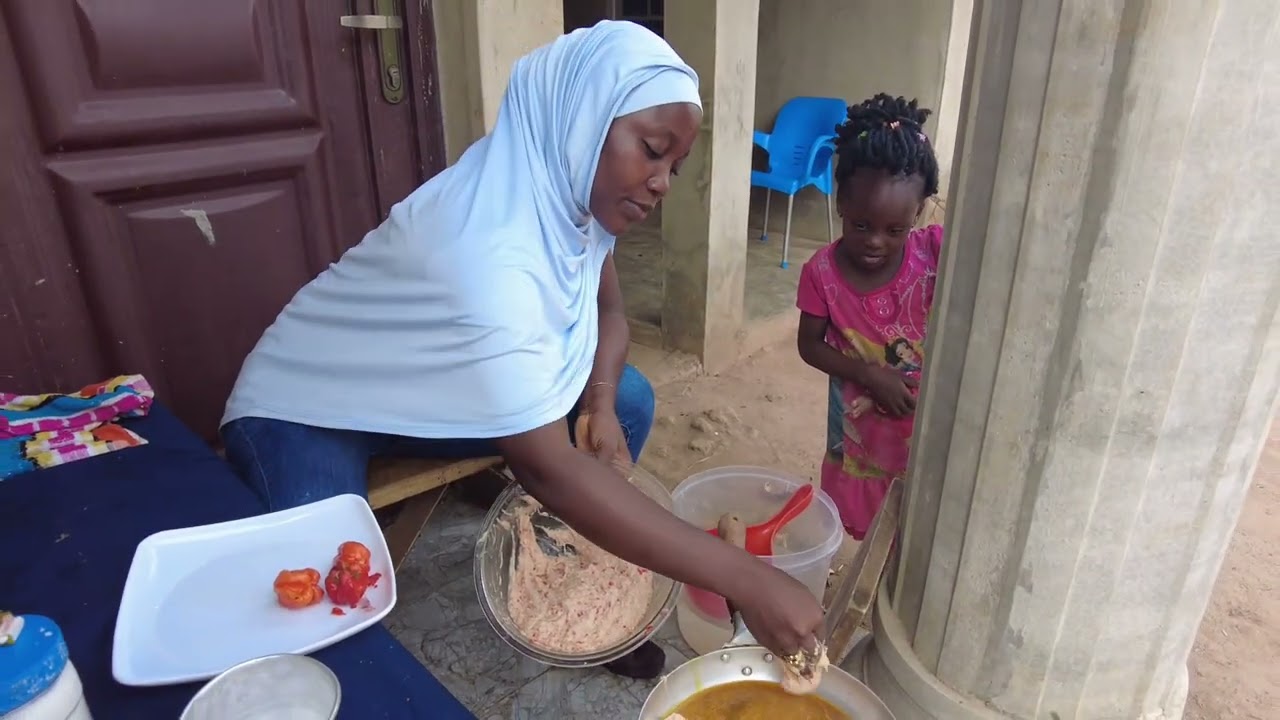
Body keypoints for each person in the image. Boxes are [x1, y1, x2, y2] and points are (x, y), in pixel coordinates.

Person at [220, 21, 824, 680]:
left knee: (625, 400)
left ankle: (571, 581)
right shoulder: (487, 248)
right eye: (652, 150)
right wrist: (749, 579)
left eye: (674, 166)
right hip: (311, 406)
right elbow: (547, 469)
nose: (662, 183)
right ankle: (552, 530)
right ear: (582, 121)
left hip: (435, 388)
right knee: (330, 609)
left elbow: (610, 311)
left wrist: (595, 402)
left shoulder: (569, 200)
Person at [795, 94, 943, 540]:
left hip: (921, 421)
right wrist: (869, 373)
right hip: (860, 424)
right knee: (866, 522)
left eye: (895, 230)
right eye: (861, 225)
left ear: (918, 213)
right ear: (841, 203)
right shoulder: (821, 274)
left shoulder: (934, 252)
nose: (876, 241)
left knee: (918, 520)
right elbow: (809, 345)